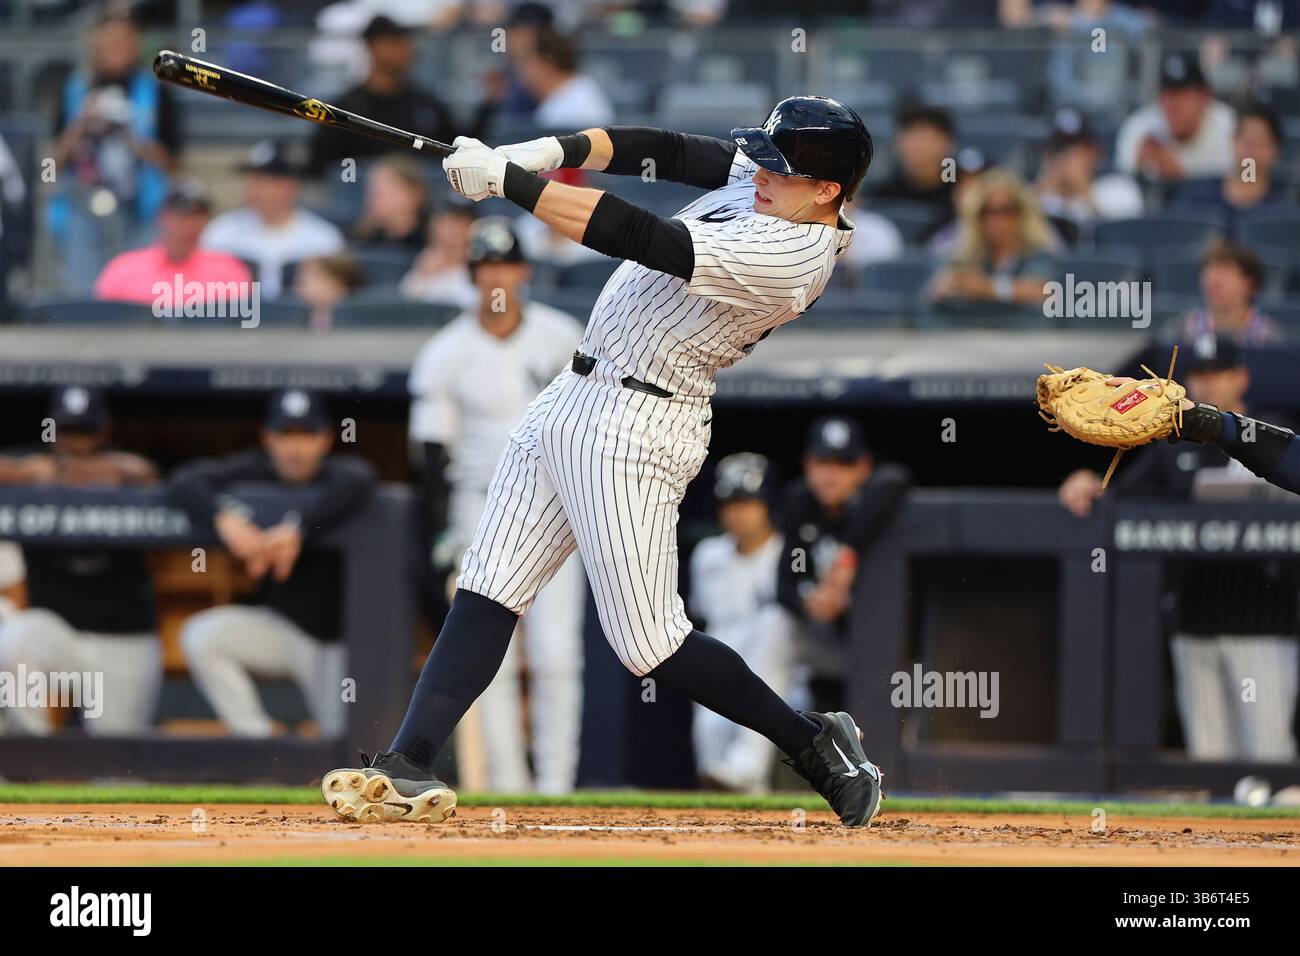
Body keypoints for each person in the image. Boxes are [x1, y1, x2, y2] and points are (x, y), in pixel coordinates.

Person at [321, 95, 886, 828]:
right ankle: (408, 762)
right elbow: (666, 151)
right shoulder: (777, 186)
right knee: (488, 586)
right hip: (574, 391)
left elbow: (639, 235)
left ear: (828, 191)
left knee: (649, 643)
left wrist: (508, 185)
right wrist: (546, 152)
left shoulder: (792, 257)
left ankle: (813, 744)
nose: (760, 172)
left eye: (781, 167)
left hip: (640, 421)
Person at [408, 217, 586, 793]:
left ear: (524, 270)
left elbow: (593, 426)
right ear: (473, 275)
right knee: (493, 661)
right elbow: (432, 456)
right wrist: (440, 536)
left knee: (558, 657)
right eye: (485, 267)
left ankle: (556, 788)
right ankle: (507, 789)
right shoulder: (446, 351)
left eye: (506, 264)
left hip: (557, 509)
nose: (497, 277)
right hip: (480, 511)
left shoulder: (562, 335)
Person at [1057, 338, 1297, 761]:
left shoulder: (1271, 430)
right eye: (1199, 375)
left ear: (1240, 376)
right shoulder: (1174, 445)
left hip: (1265, 616)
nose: (1208, 383)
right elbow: (1120, 498)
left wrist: (1215, 425)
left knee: (1269, 759)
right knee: (1209, 761)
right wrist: (1087, 480)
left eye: (1217, 373)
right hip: (1193, 613)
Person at [169, 390, 376, 738]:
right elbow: (184, 481)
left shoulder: (341, 475)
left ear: (325, 439)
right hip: (283, 629)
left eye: (306, 435)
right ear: (269, 438)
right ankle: (260, 740)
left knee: (348, 748)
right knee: (203, 636)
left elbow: (362, 477)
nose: (295, 448)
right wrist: (224, 519)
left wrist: (298, 529)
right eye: (286, 435)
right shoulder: (257, 470)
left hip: (340, 641)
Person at [0, 386, 162, 735]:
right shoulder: (33, 467)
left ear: (103, 431)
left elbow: (145, 473)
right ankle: (32, 758)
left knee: (117, 775)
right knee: (15, 639)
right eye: (68, 431)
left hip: (123, 640)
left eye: (85, 431)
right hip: (60, 639)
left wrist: (66, 473)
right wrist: (33, 475)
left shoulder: (125, 471)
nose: (77, 442)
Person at [776, 417, 910, 712]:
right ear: (808, 465)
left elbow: (895, 478)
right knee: (773, 624)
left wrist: (848, 554)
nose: (830, 474)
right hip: (827, 641)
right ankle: (753, 747)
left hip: (880, 648)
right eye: (823, 462)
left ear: (863, 468)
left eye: (843, 463)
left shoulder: (872, 503)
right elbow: (784, 587)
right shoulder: (800, 503)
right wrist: (811, 602)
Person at [47, 11, 182, 293]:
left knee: (139, 291)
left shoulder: (157, 92)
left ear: (137, 45)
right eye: (109, 40)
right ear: (95, 44)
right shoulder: (74, 88)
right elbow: (51, 164)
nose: (116, 46)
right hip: (82, 207)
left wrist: (131, 135)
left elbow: (173, 164)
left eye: (124, 39)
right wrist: (82, 123)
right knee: (82, 292)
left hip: (142, 208)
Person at [689, 453, 795, 793]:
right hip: (721, 668)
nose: (737, 512)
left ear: (767, 505)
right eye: (730, 502)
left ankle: (749, 770)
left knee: (776, 623)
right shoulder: (707, 555)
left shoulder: (788, 552)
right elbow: (701, 616)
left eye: (747, 502)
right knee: (713, 757)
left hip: (785, 676)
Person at [308, 15, 461, 177]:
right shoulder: (345, 110)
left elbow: (459, 150)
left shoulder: (426, 105)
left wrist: (488, 105)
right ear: (371, 46)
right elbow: (318, 169)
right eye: (394, 41)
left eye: (405, 41)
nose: (405, 49)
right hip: (359, 199)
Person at [202, 141, 345, 300]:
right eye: (252, 179)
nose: (253, 188)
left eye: (264, 181)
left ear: (291, 186)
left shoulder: (323, 238)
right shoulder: (222, 231)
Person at [93, 179, 252, 306]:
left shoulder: (229, 270)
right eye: (182, 215)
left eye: (198, 216)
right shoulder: (124, 270)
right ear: (162, 217)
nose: (190, 225)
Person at [926, 169, 1057, 311]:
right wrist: (946, 287)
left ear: (1022, 214)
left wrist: (985, 288)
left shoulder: (1040, 254)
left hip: (1029, 332)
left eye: (1007, 210)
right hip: (973, 331)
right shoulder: (962, 256)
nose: (997, 220)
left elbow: (1043, 292)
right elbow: (931, 296)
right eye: (987, 211)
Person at [1115, 52, 1236, 183]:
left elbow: (1241, 190)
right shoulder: (1140, 127)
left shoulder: (1229, 125)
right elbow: (1123, 190)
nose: (1172, 106)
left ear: (1205, 96)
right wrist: (1137, 175)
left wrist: (1179, 177)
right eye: (1166, 95)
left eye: (1181, 95)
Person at [1169, 102, 1290, 228]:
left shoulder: (1284, 213)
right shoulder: (1198, 198)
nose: (1250, 150)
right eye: (1246, 141)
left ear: (1275, 150)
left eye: (1259, 142)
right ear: (1233, 141)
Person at [1036, 107, 1144, 246]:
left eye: (1076, 149)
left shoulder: (1119, 189)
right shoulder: (1037, 195)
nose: (1066, 158)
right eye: (1059, 148)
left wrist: (1085, 191)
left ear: (1095, 152)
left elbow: (1125, 240)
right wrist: (1042, 190)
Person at [1172, 241, 1283, 345]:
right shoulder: (1182, 331)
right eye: (1209, 274)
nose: (1213, 284)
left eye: (1225, 274)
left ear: (1249, 284)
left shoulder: (1268, 337)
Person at [511, 25, 614, 129]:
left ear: (547, 63)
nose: (521, 70)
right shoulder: (572, 94)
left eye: (526, 61)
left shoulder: (572, 108)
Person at [867, 103, 956, 221]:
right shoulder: (879, 197)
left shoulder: (962, 193)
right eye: (912, 138)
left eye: (928, 139)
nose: (919, 148)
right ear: (896, 143)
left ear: (948, 144)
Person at [400, 201, 478, 306]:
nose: (453, 230)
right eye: (446, 222)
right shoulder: (426, 262)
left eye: (460, 222)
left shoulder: (483, 265)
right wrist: (424, 274)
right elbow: (406, 303)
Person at [351, 154, 431, 253]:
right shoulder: (363, 238)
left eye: (380, 194)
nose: (371, 200)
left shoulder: (432, 239)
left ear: (412, 195)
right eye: (370, 192)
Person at [293, 253, 364, 329]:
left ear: (336, 285)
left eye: (304, 281)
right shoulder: (295, 320)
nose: (297, 286)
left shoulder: (358, 321)